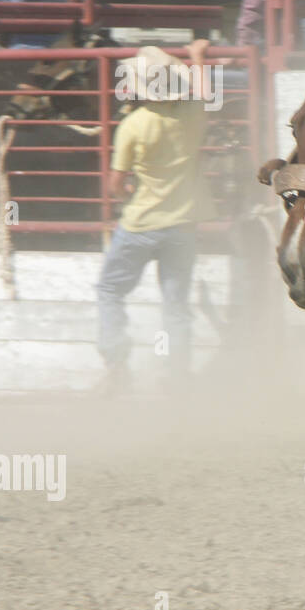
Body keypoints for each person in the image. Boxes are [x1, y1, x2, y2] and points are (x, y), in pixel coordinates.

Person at [95, 42, 215, 394]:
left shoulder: (132, 126)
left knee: (109, 290)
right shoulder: (193, 113)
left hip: (140, 224)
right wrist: (197, 57)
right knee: (175, 302)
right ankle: (177, 374)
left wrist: (126, 196)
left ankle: (117, 365)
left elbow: (115, 184)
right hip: (182, 224)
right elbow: (207, 93)